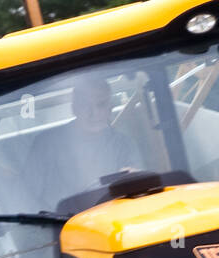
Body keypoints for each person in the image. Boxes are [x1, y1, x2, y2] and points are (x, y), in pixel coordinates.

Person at [31, 73, 140, 210]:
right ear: (74, 108)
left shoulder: (123, 144)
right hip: (60, 224)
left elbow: (137, 190)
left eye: (101, 104)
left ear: (110, 107)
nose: (94, 113)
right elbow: (27, 199)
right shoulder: (45, 144)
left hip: (113, 219)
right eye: (85, 105)